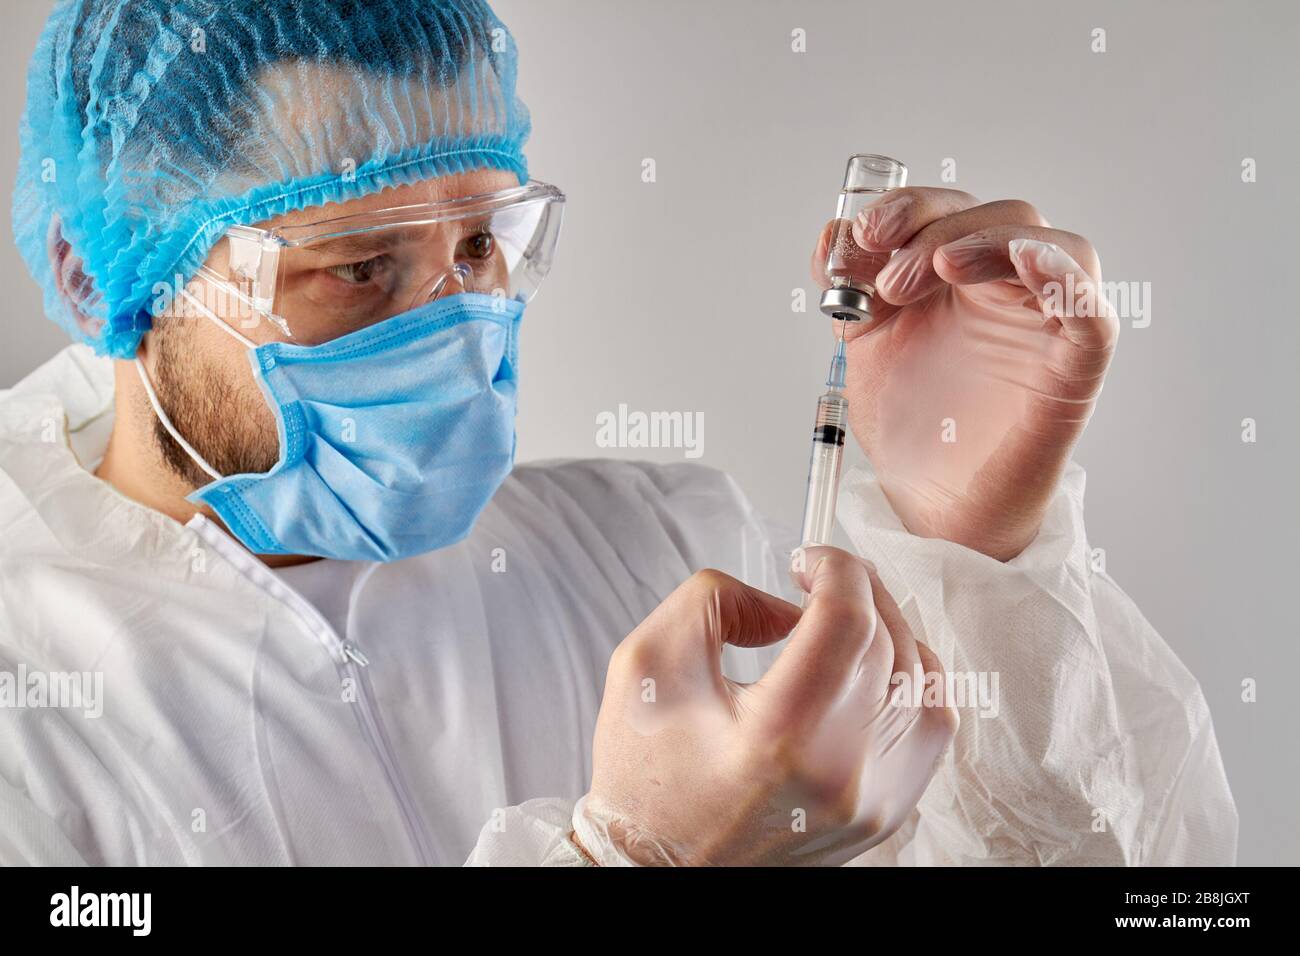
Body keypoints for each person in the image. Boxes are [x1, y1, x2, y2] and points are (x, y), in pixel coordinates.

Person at [0, 0, 1234, 867]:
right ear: (105, 278)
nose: (458, 324)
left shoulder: (662, 548)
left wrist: (970, 546)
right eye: (364, 268)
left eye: (481, 244)